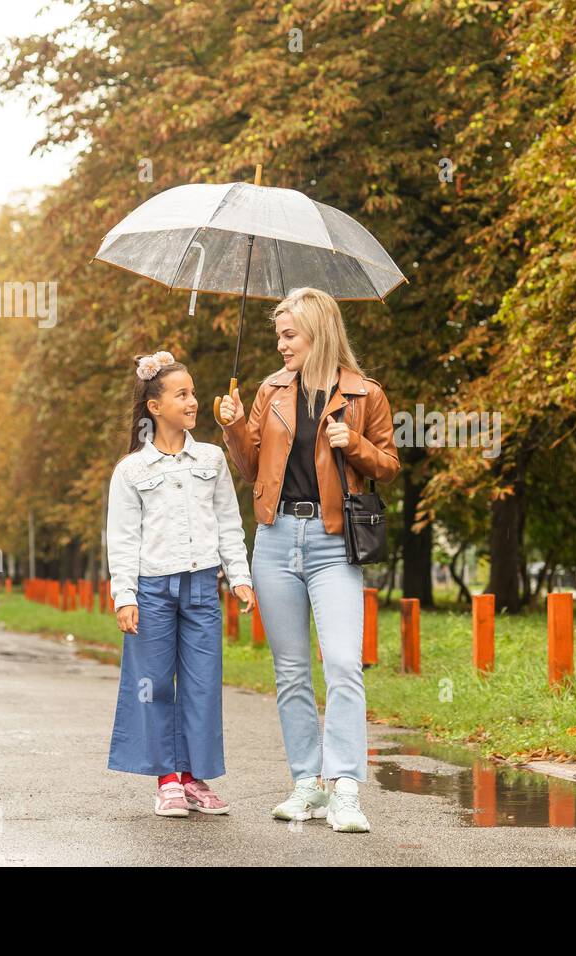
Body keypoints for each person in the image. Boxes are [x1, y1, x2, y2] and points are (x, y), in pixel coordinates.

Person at [219, 287, 399, 833]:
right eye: (277, 335)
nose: (281, 345)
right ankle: (307, 783)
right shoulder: (269, 391)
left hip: (331, 539)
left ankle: (345, 787)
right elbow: (252, 469)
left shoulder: (365, 394)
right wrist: (231, 426)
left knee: (343, 662)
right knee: (291, 671)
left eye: (289, 335)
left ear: (318, 332)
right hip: (275, 539)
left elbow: (389, 463)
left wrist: (356, 446)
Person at [105, 349, 257, 818]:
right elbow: (123, 539)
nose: (193, 402)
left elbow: (229, 523)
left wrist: (240, 577)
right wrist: (124, 597)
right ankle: (167, 779)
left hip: (200, 588)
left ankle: (194, 777)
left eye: (192, 393)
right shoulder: (132, 470)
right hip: (151, 590)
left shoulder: (210, 459)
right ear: (155, 406)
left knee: (202, 684)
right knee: (153, 684)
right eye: (183, 394)